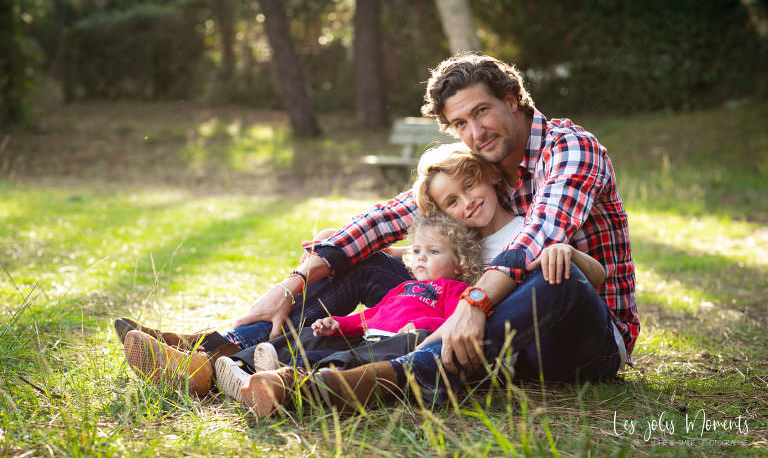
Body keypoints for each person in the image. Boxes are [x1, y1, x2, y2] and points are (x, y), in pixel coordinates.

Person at [221, 149, 609, 417]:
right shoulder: (463, 237)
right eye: (452, 202)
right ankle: (228, 349)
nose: (466, 203)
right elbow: (413, 250)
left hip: (549, 342)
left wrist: (568, 253)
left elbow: (584, 281)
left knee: (552, 275)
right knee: (364, 261)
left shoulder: (532, 225)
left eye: (470, 187)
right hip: (472, 332)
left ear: (490, 177)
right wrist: (331, 256)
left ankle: (362, 380)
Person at [211, 213, 481, 414]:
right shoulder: (404, 286)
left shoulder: (455, 290)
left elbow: (451, 324)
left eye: (433, 252)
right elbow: (371, 316)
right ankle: (243, 365)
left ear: (460, 264)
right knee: (312, 337)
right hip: (371, 336)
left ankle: (282, 380)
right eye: (418, 251)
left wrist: (419, 329)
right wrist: (338, 324)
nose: (421, 257)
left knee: (348, 358)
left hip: (403, 344)